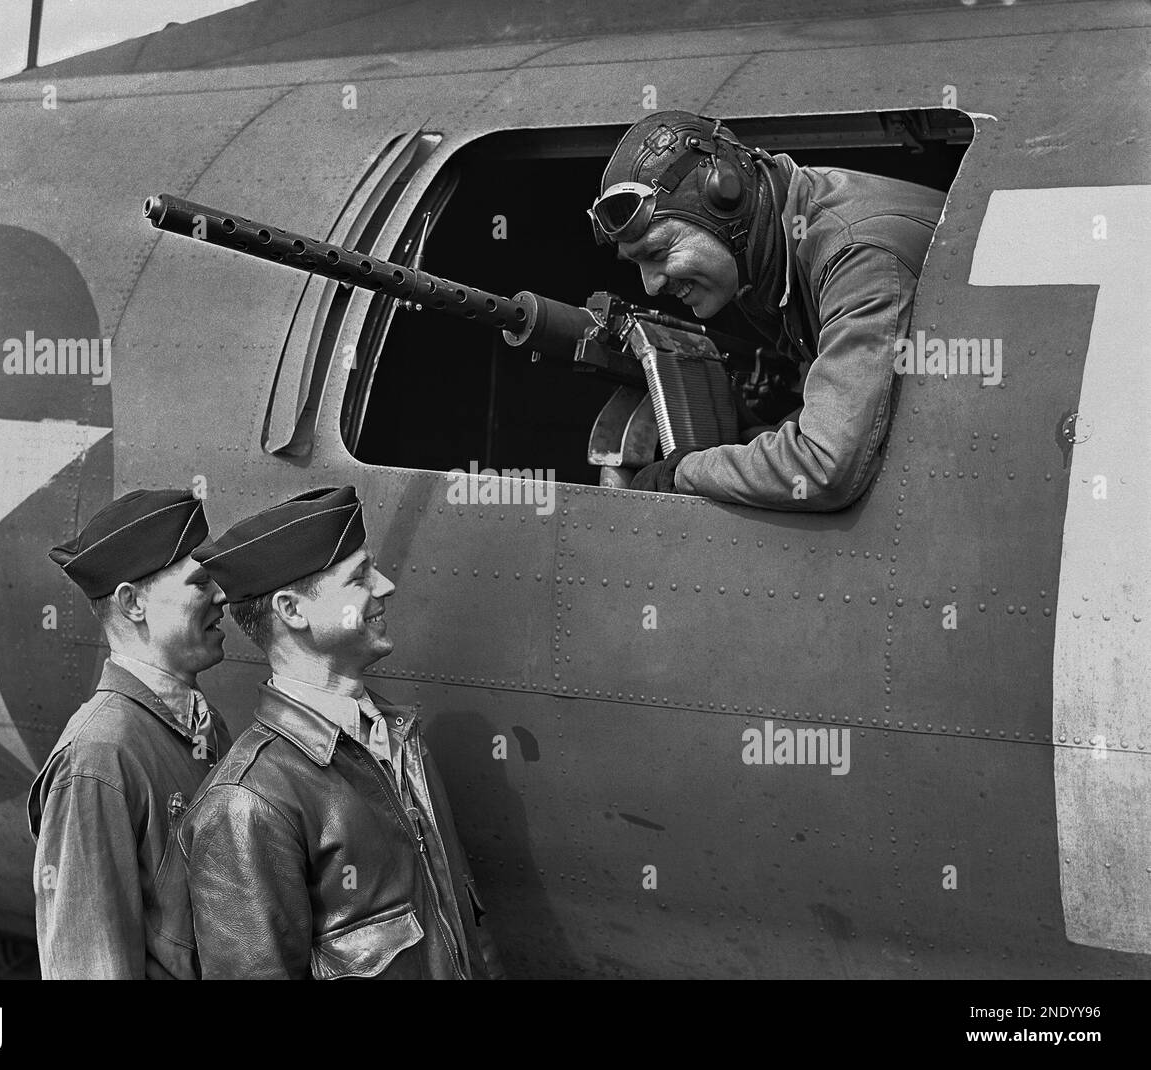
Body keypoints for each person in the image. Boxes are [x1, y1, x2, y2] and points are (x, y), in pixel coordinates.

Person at [171, 485, 504, 979]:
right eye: (359, 578)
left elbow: (463, 928)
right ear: (292, 611)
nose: (386, 586)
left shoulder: (398, 737)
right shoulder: (246, 804)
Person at [590, 110, 944, 510]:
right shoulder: (771, 250)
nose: (651, 284)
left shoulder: (857, 256)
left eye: (658, 252)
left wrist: (682, 473)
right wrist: (753, 442)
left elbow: (823, 466)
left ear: (724, 200)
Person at [28, 489, 231, 978]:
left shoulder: (203, 723)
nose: (221, 595)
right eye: (200, 582)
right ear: (131, 602)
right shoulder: (98, 758)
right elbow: (89, 966)